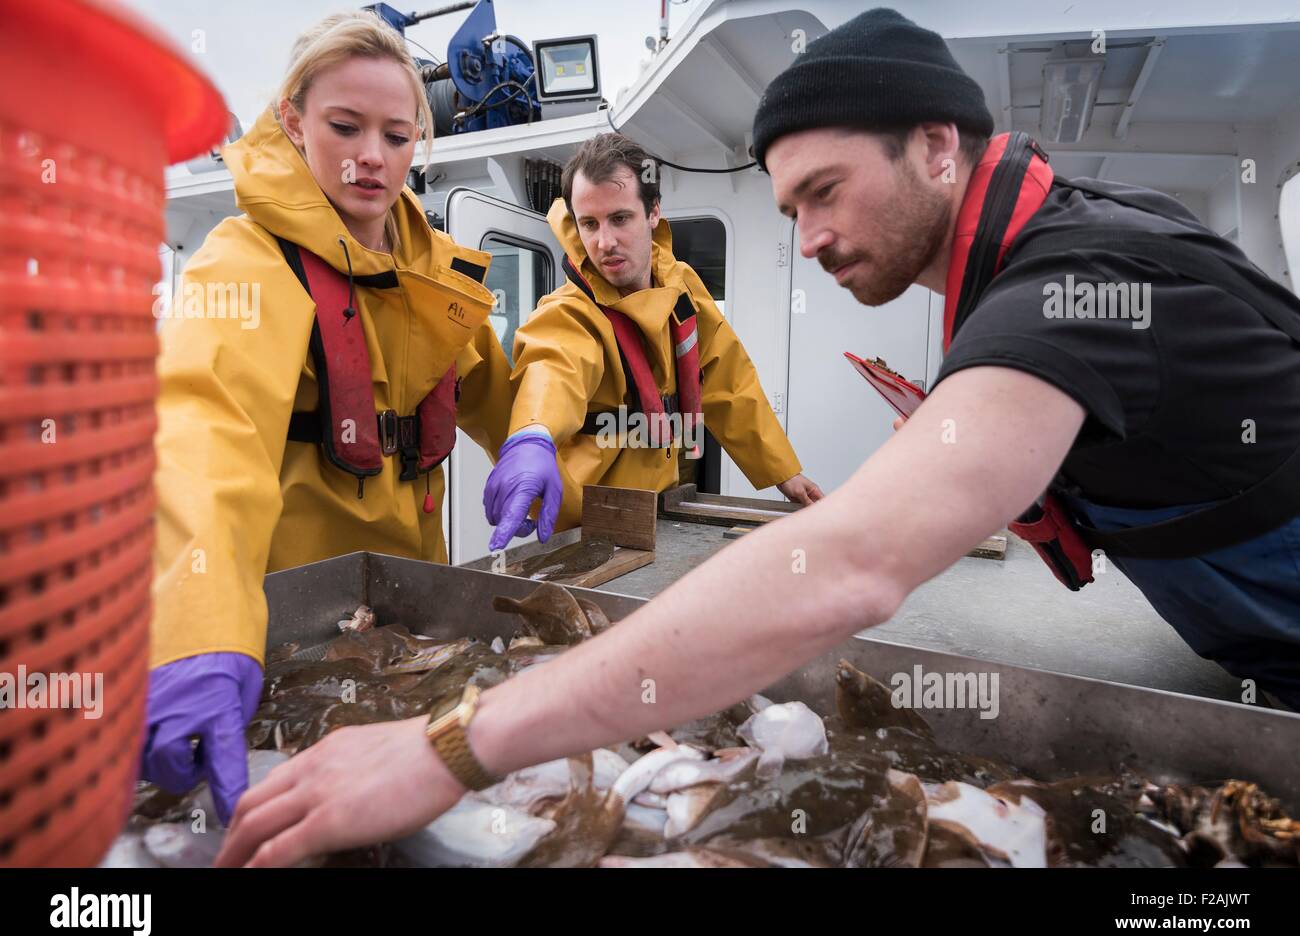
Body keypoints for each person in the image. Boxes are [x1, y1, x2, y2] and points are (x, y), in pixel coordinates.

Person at [216, 7, 1300, 866]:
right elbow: (549, 372)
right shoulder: (1085, 235)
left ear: (936, 146)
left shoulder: (1071, 288)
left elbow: (847, 561)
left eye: (825, 192)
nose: (811, 237)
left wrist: (448, 745)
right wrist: (536, 439)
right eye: (788, 213)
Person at [144, 11, 512, 824]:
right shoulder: (243, 262)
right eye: (345, 127)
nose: (371, 155)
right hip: (285, 643)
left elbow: (507, 397)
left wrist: (533, 442)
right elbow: (201, 437)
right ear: (292, 120)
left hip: (413, 629)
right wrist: (198, 629)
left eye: (397, 134)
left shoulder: (440, 277)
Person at [482, 134, 821, 551]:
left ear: (654, 211)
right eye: (589, 224)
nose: (604, 242)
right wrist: (533, 435)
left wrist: (784, 472)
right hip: (587, 525)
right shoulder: (569, 311)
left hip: (661, 510)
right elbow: (553, 368)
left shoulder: (683, 288)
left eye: (620, 218)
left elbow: (729, 381)